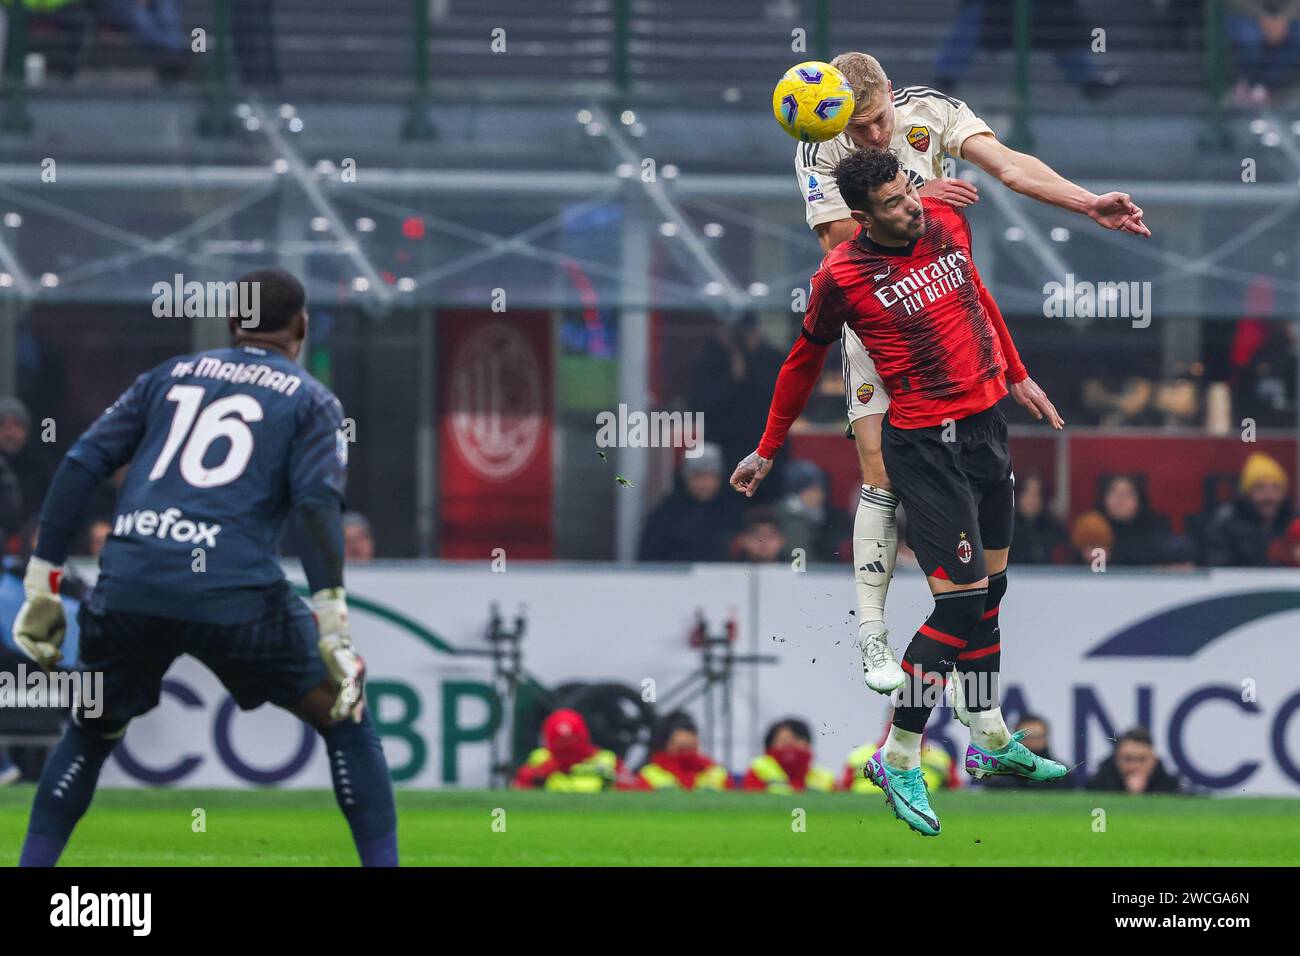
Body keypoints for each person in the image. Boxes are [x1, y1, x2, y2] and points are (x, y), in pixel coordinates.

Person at [733, 150, 1069, 836]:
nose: (910, 206)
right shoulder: (841, 276)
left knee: (993, 593)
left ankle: (990, 740)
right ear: (860, 217)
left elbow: (979, 298)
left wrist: (1018, 372)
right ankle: (901, 753)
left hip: (986, 429)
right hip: (925, 447)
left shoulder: (943, 219)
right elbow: (802, 360)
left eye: (908, 192)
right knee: (963, 600)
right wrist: (768, 447)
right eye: (892, 204)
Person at [790, 51, 1146, 698]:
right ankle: (871, 629)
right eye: (858, 128)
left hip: (950, 310)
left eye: (875, 122)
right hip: (880, 313)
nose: (870, 137)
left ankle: (980, 708)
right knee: (877, 465)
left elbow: (1010, 166)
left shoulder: (930, 111)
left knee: (984, 505)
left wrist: (1087, 201)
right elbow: (837, 240)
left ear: (891, 96)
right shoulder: (821, 143)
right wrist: (919, 195)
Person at [12, 268, 397, 867]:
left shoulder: (167, 377)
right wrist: (332, 619)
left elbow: (80, 464)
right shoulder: (312, 399)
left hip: (133, 581)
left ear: (235, 321)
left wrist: (44, 580)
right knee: (345, 713)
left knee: (90, 730)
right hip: (235, 593)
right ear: (300, 326)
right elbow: (317, 504)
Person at [933, 0, 1122, 98]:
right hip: (997, 10)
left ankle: (1086, 80)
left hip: (1040, 11)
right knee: (974, 17)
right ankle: (945, 78)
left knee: (1064, 22)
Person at [638, 443, 741, 562]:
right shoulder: (666, 513)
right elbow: (648, 557)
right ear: (685, 477)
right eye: (698, 476)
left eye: (711, 476)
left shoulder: (731, 511)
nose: (705, 484)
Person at [1203, 452, 1293, 567]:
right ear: (1247, 493)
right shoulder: (1225, 524)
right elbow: (1219, 567)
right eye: (1260, 488)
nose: (1269, 496)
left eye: (1276, 488)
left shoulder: (1292, 522)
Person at [513, 708, 633, 792]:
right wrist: (539, 775)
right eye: (560, 742)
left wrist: (615, 782)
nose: (568, 747)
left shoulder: (607, 760)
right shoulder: (539, 759)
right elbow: (519, 787)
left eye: (572, 740)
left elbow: (635, 789)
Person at [1096, 475, 1181, 566]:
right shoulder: (1092, 528)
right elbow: (1092, 571)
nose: (1120, 497)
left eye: (1128, 493)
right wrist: (1096, 560)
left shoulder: (1157, 527)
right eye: (1113, 491)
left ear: (1140, 499)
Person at [1227, 0, 1300, 105]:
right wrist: (1262, 17)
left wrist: (1284, 18)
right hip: (1245, 13)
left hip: (1291, 15)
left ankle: (1265, 86)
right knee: (1249, 38)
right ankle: (1252, 83)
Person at [777, 459, 851, 562]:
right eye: (809, 490)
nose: (816, 495)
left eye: (819, 489)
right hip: (794, 571)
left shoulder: (831, 516)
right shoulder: (781, 514)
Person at [637, 711, 730, 791]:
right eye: (681, 748)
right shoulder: (649, 774)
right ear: (666, 744)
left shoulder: (718, 773)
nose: (687, 753)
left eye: (691, 748)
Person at [741, 718, 836, 793]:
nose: (790, 745)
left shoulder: (826, 777)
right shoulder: (758, 770)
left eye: (797, 739)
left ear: (808, 743)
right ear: (771, 744)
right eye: (784, 740)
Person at [979, 714, 1072, 790]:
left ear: (1046, 738)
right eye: (1027, 737)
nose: (1034, 742)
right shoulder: (1000, 776)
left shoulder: (1062, 775)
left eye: (1038, 737)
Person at [1086, 728, 1185, 794]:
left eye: (1142, 760)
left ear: (1153, 760)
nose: (1134, 766)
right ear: (1116, 759)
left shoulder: (1172, 788)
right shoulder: (1096, 787)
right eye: (1128, 759)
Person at [1009, 473, 1069, 565]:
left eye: (1037, 494)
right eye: (1027, 493)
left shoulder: (1053, 528)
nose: (1032, 499)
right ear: (1017, 496)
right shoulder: (1007, 528)